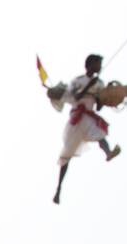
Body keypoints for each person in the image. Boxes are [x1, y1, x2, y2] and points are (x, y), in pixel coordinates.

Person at [48, 53, 121, 204]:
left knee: (101, 134)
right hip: (76, 119)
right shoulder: (78, 80)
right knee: (67, 154)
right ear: (89, 65)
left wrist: (104, 96)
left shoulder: (100, 83)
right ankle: (58, 189)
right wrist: (89, 86)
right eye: (97, 64)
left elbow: (99, 107)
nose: (99, 67)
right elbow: (75, 97)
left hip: (89, 116)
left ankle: (108, 153)